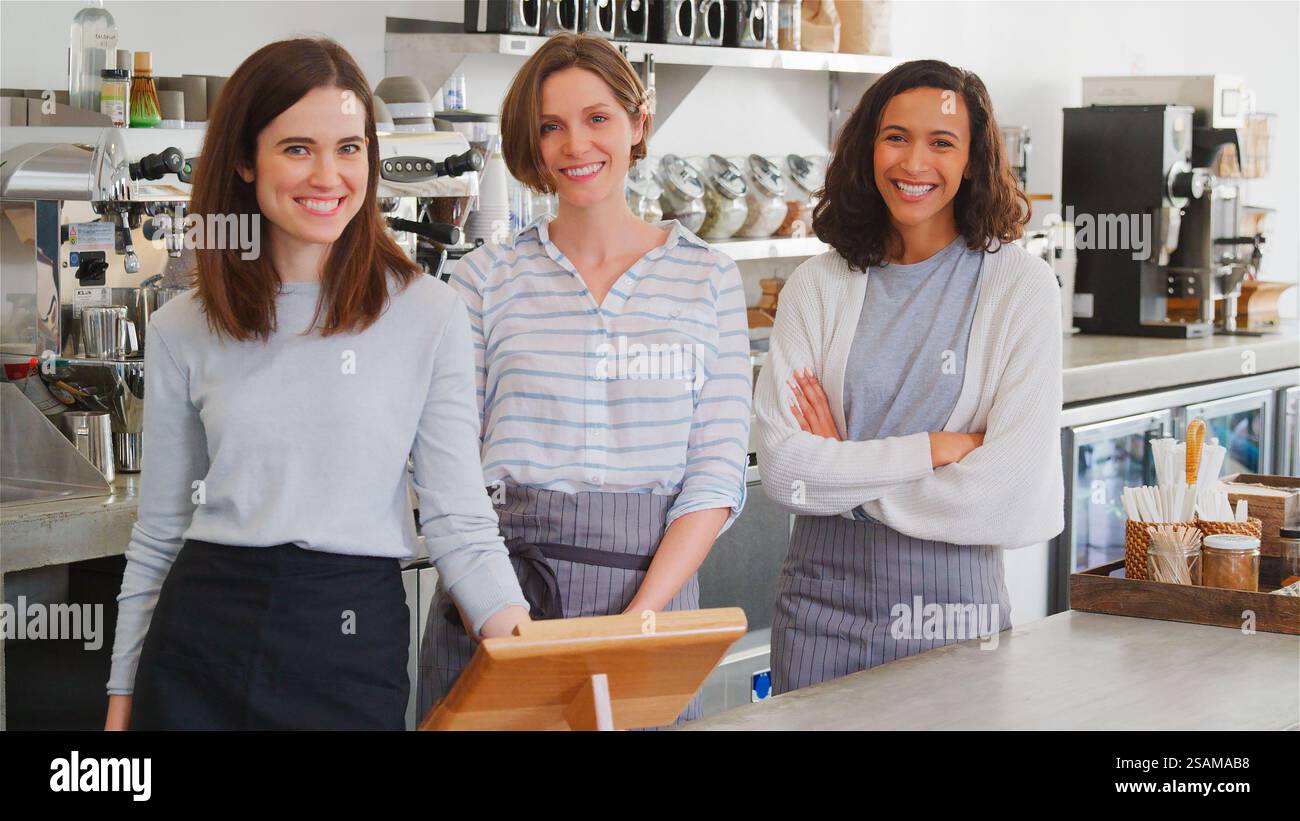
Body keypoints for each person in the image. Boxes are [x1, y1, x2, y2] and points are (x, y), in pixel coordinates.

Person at [104, 38, 529, 731]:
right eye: (297, 149)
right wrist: (121, 702)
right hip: (196, 649)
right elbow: (159, 533)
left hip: (348, 647)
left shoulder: (428, 314)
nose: (327, 174)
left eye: (349, 148)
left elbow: (459, 521)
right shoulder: (184, 325)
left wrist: (529, 653)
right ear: (245, 160)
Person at [420, 33, 751, 723]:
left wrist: (638, 620)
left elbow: (716, 474)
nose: (576, 145)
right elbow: (449, 473)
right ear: (532, 144)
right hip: (504, 604)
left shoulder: (708, 279)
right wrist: (509, 626)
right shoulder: (484, 280)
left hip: (651, 605)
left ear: (639, 124)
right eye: (552, 126)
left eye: (597, 118)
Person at [753, 59, 1064, 694]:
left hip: (958, 617)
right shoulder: (819, 284)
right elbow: (785, 473)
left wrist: (843, 467)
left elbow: (1012, 496)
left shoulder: (1020, 286)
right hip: (819, 614)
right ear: (869, 147)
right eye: (896, 137)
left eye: (942, 142)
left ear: (974, 160)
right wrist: (930, 452)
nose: (913, 162)